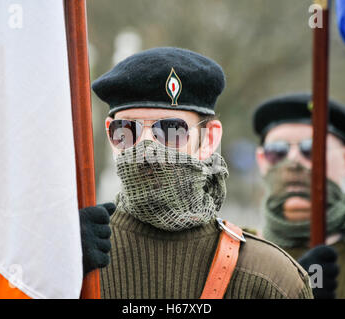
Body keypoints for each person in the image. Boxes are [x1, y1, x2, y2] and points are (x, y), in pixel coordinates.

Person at [80, 47, 313, 299]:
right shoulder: (76, 262)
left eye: (170, 130)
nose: (145, 148)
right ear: (110, 134)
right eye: (126, 130)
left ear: (209, 139)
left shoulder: (270, 278)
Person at [252, 93, 345, 298]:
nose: (293, 161)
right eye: (277, 150)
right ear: (261, 160)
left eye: (312, 148)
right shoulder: (232, 257)